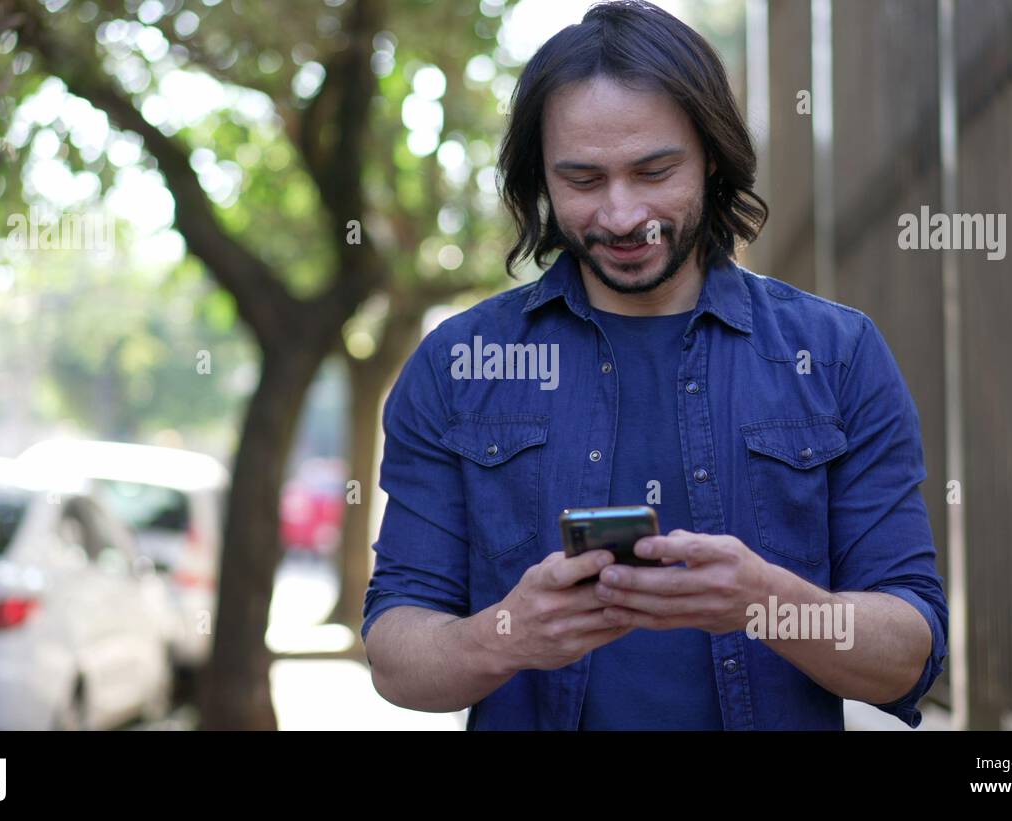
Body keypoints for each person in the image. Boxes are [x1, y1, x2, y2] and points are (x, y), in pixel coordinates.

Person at [361, 0, 947, 730]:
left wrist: (767, 604)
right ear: (540, 180)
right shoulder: (459, 365)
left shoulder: (837, 355)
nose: (621, 213)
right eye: (582, 180)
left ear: (711, 154)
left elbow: (910, 649)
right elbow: (393, 654)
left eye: (654, 170)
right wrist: (505, 631)